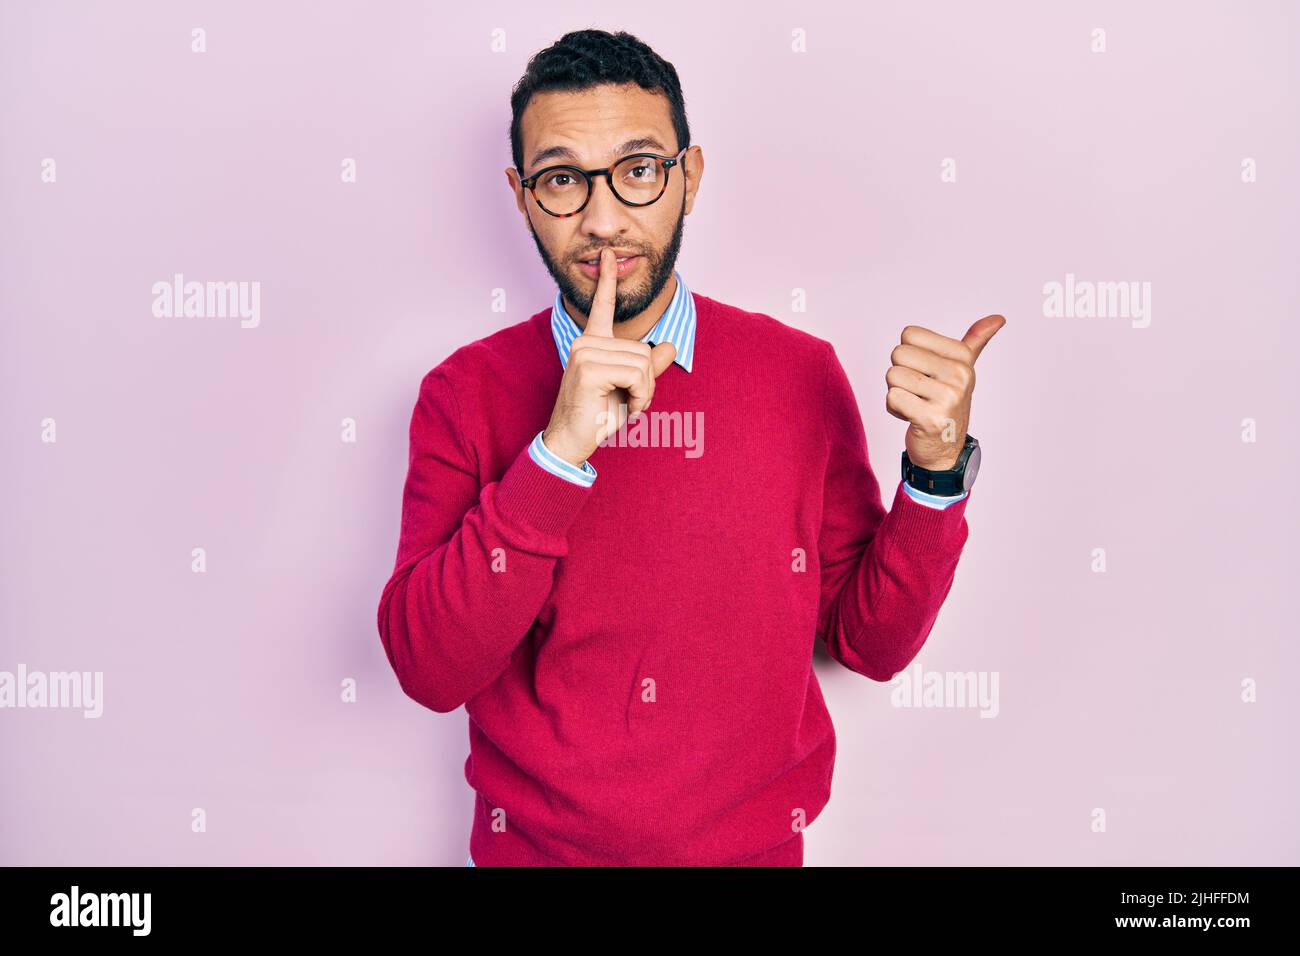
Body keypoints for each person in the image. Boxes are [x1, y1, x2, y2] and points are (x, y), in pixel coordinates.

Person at [377, 28, 1003, 867]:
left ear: (689, 179)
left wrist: (934, 471)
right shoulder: (464, 394)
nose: (603, 221)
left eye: (638, 171)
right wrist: (558, 452)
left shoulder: (798, 375)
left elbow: (870, 644)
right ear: (522, 198)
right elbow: (430, 668)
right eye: (563, 180)